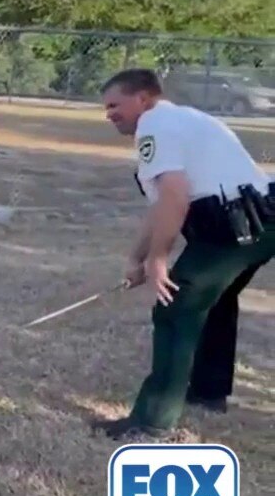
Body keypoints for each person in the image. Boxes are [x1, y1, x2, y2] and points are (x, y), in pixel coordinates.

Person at [93, 68, 274, 440]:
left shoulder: (154, 127)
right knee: (217, 302)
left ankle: (152, 422)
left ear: (143, 98)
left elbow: (175, 194)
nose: (109, 114)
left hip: (235, 232)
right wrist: (137, 258)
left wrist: (158, 261)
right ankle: (208, 393)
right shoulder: (184, 119)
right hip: (257, 224)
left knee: (174, 311)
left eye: (115, 105)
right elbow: (162, 206)